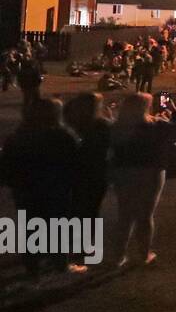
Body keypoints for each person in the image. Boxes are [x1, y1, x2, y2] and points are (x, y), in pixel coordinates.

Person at [0, 97, 78, 275]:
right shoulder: (63, 136)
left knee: (30, 227)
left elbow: (7, 164)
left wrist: (12, 182)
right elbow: (75, 162)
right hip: (55, 188)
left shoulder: (18, 136)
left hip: (25, 189)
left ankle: (32, 266)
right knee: (57, 226)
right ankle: (59, 263)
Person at [109, 93, 176, 268]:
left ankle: (118, 256)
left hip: (123, 171)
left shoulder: (117, 127)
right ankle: (144, 253)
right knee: (145, 215)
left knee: (124, 215)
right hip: (151, 171)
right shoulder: (156, 126)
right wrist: (174, 110)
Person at [63, 93, 113, 265]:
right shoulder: (102, 125)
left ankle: (73, 245)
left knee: (76, 209)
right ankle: (82, 248)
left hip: (76, 173)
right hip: (96, 174)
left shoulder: (73, 123)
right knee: (90, 211)